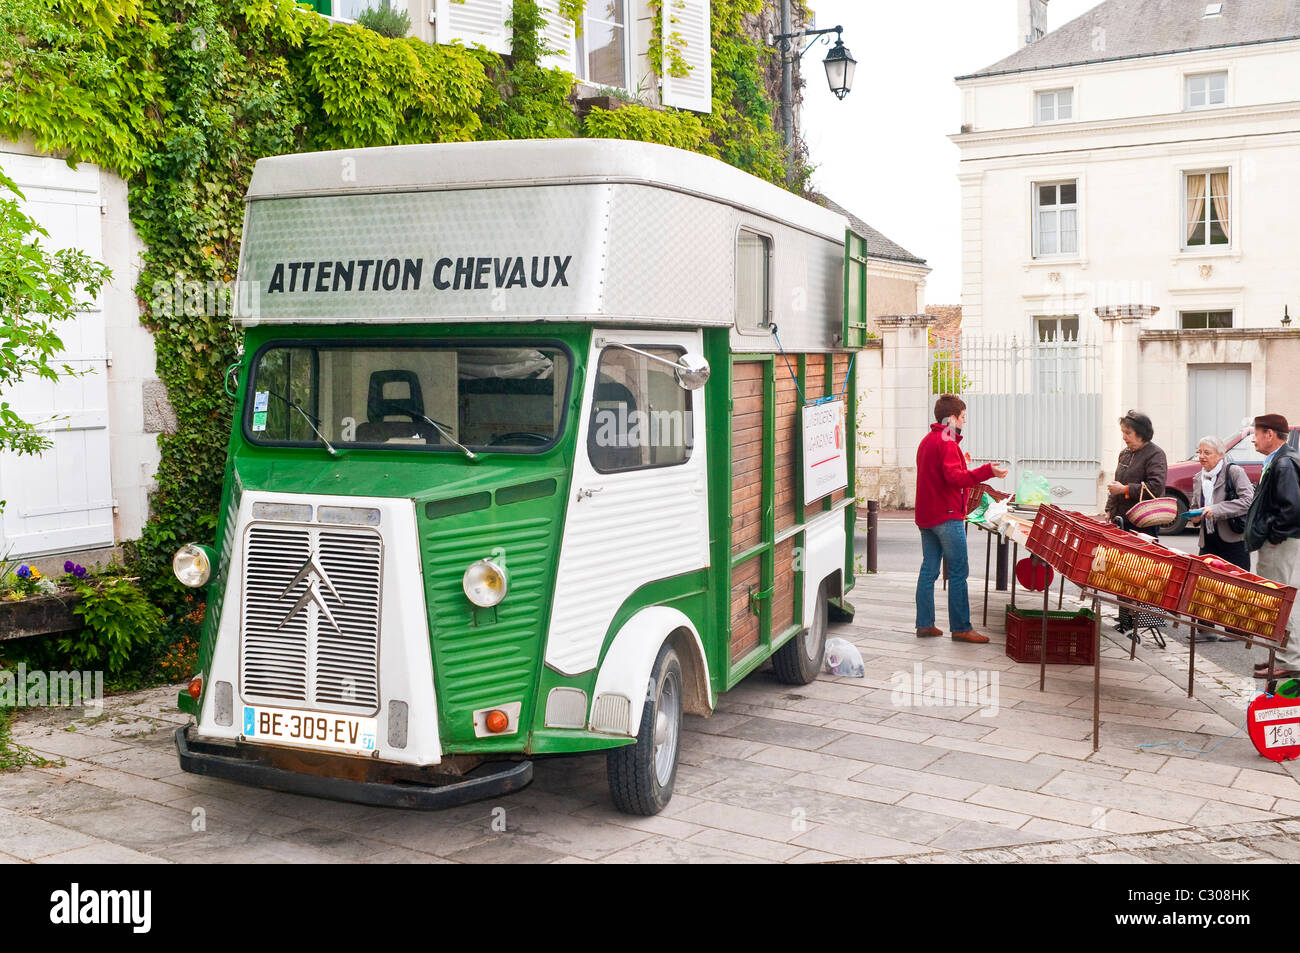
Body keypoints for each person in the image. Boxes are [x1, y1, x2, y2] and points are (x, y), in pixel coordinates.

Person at [915, 394, 1008, 643]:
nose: (964, 422)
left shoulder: (927, 441)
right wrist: (987, 470)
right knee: (958, 571)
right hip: (946, 516)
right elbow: (954, 478)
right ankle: (961, 628)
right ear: (952, 418)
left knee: (929, 570)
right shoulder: (947, 442)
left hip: (927, 516)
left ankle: (924, 624)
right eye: (963, 417)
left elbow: (941, 474)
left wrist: (963, 466)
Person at [1243, 414, 1300, 680]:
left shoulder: (1284, 462)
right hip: (1278, 540)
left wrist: (1274, 535)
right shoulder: (1280, 460)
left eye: (1256, 433)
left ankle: (1289, 660)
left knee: (1280, 600)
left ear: (1270, 434)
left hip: (1280, 542)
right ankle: (1279, 656)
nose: (1252, 438)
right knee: (1278, 599)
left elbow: (1292, 508)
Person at [1104, 411, 1168, 634]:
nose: (1124, 436)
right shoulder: (1124, 453)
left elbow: (1157, 487)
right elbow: (1116, 483)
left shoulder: (1155, 454)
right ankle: (1125, 618)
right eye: (1123, 432)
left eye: (1128, 433)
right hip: (1122, 521)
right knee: (1120, 572)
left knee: (1140, 573)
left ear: (1141, 433)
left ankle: (1138, 619)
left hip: (1143, 524)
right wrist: (1108, 511)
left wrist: (1125, 490)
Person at [1187, 435, 1254, 642]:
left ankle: (1237, 630)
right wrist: (1195, 516)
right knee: (1203, 584)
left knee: (1236, 585)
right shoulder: (1199, 477)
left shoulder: (1234, 472)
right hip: (1208, 539)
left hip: (1233, 539)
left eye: (1207, 453)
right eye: (1199, 452)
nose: (1201, 457)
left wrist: (1215, 510)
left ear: (1221, 455)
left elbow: (1247, 500)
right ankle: (1205, 629)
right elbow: (1195, 506)